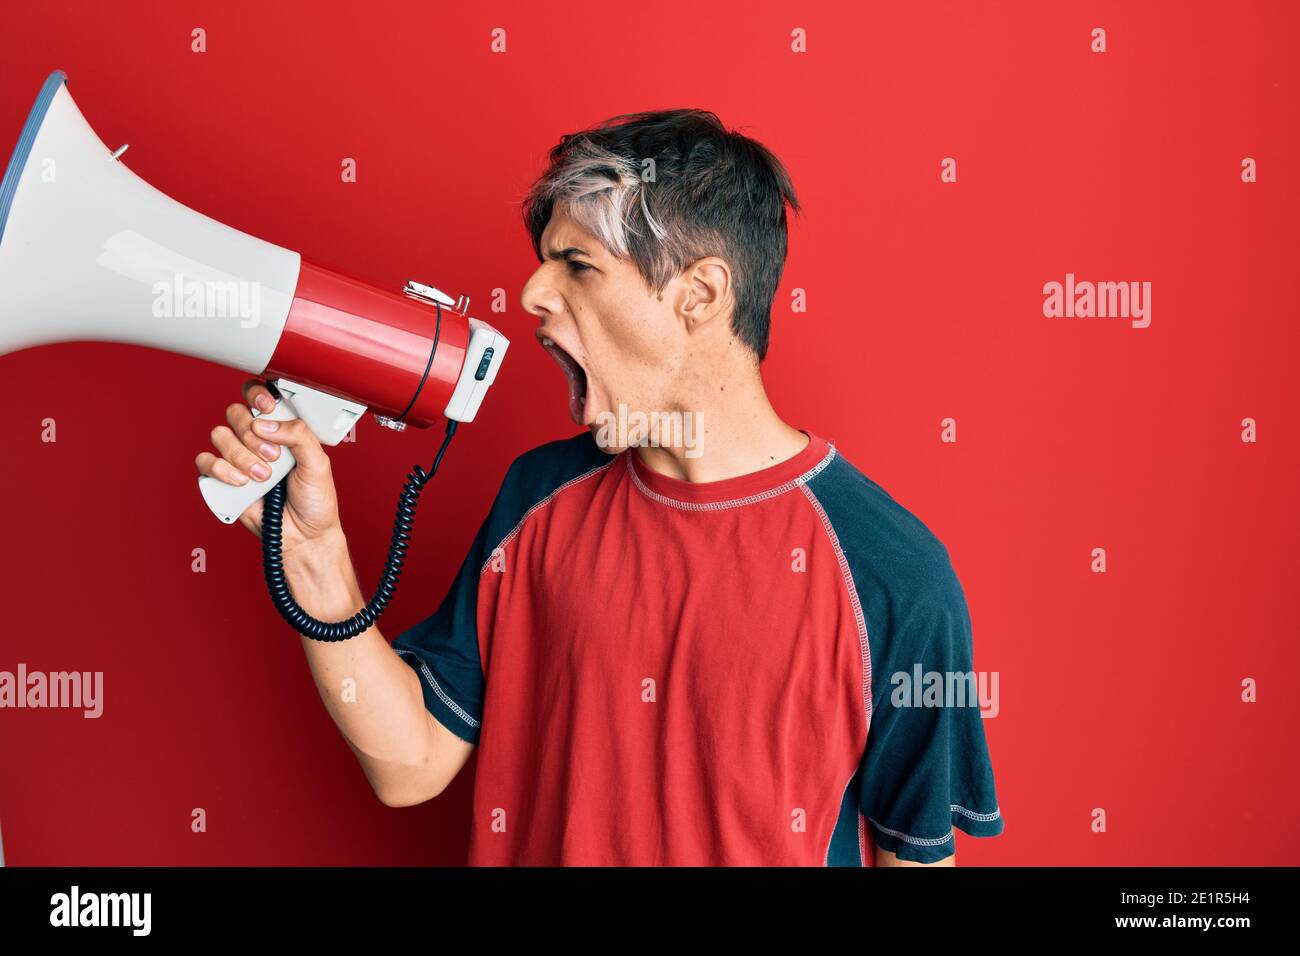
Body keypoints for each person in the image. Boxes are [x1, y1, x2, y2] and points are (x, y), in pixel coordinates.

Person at [194, 109, 1003, 866]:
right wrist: (309, 556)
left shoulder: (896, 576)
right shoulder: (535, 498)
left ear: (701, 293)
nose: (533, 295)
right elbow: (411, 764)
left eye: (577, 264)